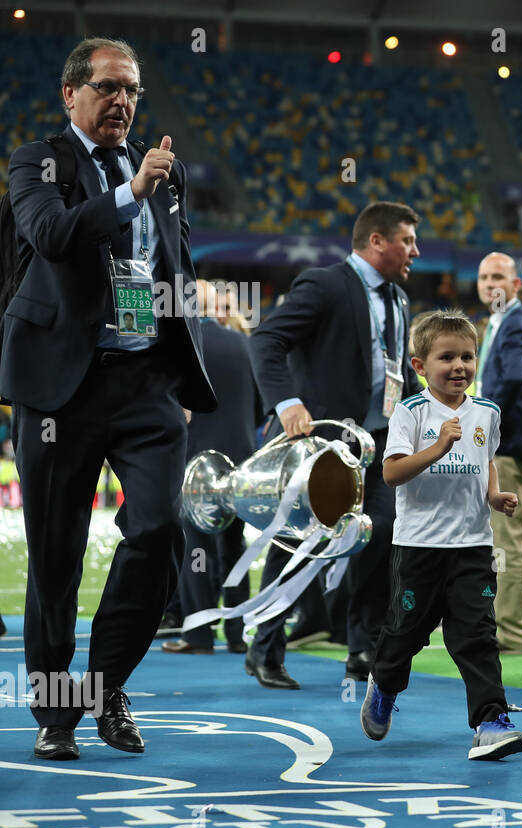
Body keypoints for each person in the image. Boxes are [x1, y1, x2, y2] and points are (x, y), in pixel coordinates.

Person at [3, 37, 215, 760]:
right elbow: (53, 235)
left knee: (158, 531)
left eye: (131, 90)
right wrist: (131, 194)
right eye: (107, 87)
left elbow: (173, 262)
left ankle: (106, 683)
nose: (122, 100)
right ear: (71, 95)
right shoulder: (39, 161)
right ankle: (57, 711)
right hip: (63, 388)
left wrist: (181, 367)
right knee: (56, 558)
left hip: (145, 383)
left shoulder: (162, 171)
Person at [249, 201, 422, 689]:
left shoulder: (399, 300)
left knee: (381, 530)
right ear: (377, 241)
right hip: (324, 440)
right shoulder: (324, 284)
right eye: (407, 241)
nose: (415, 251)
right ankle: (265, 646)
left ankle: (363, 645)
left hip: (381, 441)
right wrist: (287, 403)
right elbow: (266, 340)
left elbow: (398, 372)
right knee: (299, 541)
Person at [359, 311, 522, 759]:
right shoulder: (409, 413)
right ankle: (385, 682)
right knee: (404, 632)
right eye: (447, 357)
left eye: (467, 357)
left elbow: (485, 460)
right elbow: (392, 472)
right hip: (418, 547)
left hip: (472, 546)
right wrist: (437, 448)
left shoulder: (487, 412)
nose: (459, 366)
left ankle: (491, 721)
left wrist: (494, 496)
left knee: (476, 634)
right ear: (419, 366)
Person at [163, 279, 260, 655]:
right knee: (234, 545)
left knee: (197, 547)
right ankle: (237, 634)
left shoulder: (182, 344)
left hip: (196, 460)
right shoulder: (246, 344)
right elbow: (257, 407)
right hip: (239, 461)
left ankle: (200, 633)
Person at [475, 252, 522, 654]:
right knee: (503, 541)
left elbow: (517, 376)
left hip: (510, 447)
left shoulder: (515, 323)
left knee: (506, 541)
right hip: (512, 446)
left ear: (516, 285)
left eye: (498, 277)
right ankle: (518, 625)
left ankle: (515, 634)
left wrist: (480, 417)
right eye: (485, 277)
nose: (490, 284)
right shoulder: (502, 321)